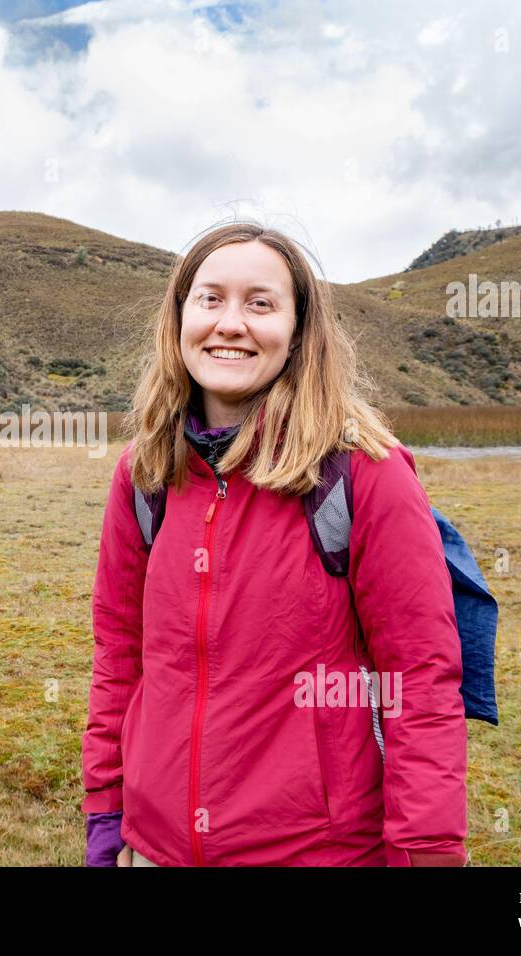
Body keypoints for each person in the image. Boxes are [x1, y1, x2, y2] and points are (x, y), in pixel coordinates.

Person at [81, 221, 468, 866]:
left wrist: (426, 853)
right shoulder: (144, 472)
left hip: (317, 853)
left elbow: (419, 681)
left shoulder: (363, 471)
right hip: (155, 850)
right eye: (209, 299)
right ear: (179, 319)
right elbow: (119, 661)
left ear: (297, 331)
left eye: (260, 303)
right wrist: (106, 815)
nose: (230, 323)